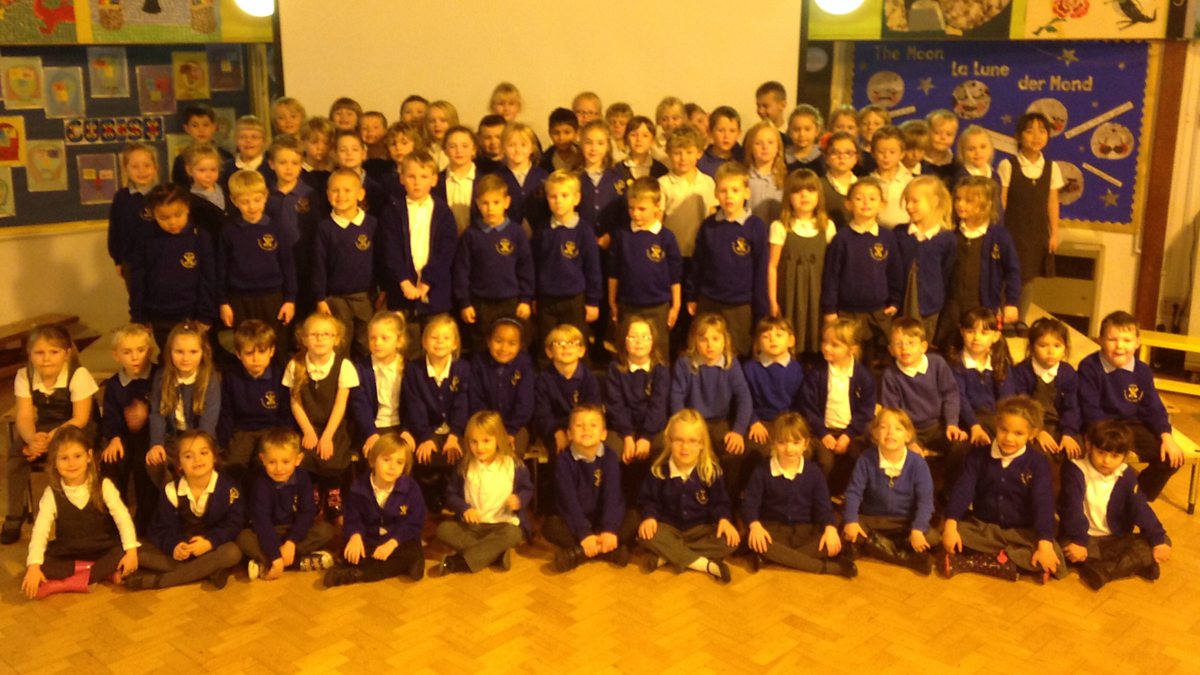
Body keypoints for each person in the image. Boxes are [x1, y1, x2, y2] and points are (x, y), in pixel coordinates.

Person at [942, 396, 1066, 582]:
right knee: (954, 535)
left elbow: (1043, 503)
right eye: (1003, 430)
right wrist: (950, 526)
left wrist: (1045, 545)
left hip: (1021, 531)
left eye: (1018, 433)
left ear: (1032, 434)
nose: (1009, 438)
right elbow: (963, 490)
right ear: (996, 425)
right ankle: (1012, 564)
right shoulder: (978, 456)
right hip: (984, 528)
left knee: (1055, 556)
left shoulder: (1038, 462)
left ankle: (976, 562)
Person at [3, 327, 99, 545]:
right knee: (16, 455)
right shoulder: (24, 375)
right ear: (29, 354)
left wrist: (49, 440)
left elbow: (80, 419)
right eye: (39, 353)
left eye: (54, 352)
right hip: (45, 428)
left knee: (66, 453)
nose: (46, 359)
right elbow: (25, 416)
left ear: (66, 352)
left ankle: (75, 513)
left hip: (75, 429)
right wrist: (31, 440)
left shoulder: (77, 374)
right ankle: (15, 515)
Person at [21, 426, 140, 599]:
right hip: (70, 551)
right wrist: (33, 566)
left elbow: (123, 517)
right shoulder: (52, 493)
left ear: (89, 456)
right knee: (42, 564)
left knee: (124, 552)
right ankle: (101, 574)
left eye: (77, 456)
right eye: (64, 458)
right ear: (54, 462)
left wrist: (131, 551)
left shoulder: (103, 485)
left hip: (102, 548)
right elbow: (40, 531)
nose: (71, 463)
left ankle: (65, 584)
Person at [1077, 311, 1184, 500]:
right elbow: (1089, 408)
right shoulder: (1089, 366)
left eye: (1127, 340)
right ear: (1101, 340)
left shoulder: (1142, 370)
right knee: (1103, 457)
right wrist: (1110, 440)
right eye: (1112, 339)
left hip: (1132, 425)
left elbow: (1153, 407)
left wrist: (1166, 436)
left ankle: (1135, 498)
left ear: (1137, 342)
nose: (1119, 346)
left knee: (1171, 458)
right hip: (1101, 426)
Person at [1059, 420, 1171, 590]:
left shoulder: (1125, 474)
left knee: (1163, 539)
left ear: (1125, 456)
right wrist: (1079, 540)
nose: (1106, 461)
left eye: (1115, 456)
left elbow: (1140, 507)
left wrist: (1157, 540)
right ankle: (1133, 564)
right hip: (1083, 537)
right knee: (1065, 549)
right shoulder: (1076, 470)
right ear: (1089, 446)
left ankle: (1104, 570)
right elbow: (1071, 509)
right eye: (1101, 452)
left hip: (1114, 538)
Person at [743, 413, 856, 577]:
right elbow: (749, 504)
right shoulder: (762, 471)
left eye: (796, 443)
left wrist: (830, 529)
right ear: (774, 443)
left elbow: (823, 506)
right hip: (774, 529)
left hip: (805, 531)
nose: (789, 449)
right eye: (782, 443)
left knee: (831, 538)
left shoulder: (814, 472)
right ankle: (824, 567)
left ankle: (774, 558)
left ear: (805, 444)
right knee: (759, 541)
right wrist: (755, 525)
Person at [637, 409, 739, 583]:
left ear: (701, 444)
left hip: (700, 529)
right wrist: (650, 517)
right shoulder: (659, 470)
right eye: (679, 440)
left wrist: (723, 519)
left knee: (731, 541)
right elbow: (649, 501)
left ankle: (667, 555)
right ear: (669, 441)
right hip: (668, 527)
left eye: (692, 441)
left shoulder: (710, 472)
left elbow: (720, 502)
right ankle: (706, 565)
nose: (685, 447)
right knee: (646, 536)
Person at [686, 161, 770, 358]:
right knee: (707, 350)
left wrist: (760, 308)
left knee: (738, 352)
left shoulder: (755, 227)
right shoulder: (709, 226)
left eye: (735, 190)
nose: (729, 195)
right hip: (709, 300)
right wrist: (692, 295)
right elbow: (698, 263)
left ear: (747, 193)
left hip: (740, 304)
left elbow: (760, 271)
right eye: (723, 190)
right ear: (716, 194)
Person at [436, 411, 534, 575]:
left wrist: (520, 499)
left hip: (502, 525)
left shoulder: (513, 465)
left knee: (515, 534)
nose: (480, 447)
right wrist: (464, 508)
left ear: (498, 440)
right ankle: (494, 553)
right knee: (443, 529)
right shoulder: (464, 466)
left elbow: (528, 489)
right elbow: (451, 494)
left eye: (486, 441)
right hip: (472, 526)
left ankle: (459, 562)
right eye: (474, 442)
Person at [842, 408, 938, 574]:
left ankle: (875, 546)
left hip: (904, 522)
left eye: (898, 428)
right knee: (847, 529)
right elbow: (853, 493)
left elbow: (925, 501)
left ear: (908, 436)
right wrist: (851, 521)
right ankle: (905, 558)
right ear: (875, 433)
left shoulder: (918, 464)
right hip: (872, 520)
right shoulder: (866, 459)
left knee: (933, 538)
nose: (890, 433)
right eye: (884, 427)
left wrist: (917, 529)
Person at [669, 314, 754, 501]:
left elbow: (744, 398)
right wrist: (684, 425)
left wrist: (738, 431)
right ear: (694, 340)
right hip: (692, 421)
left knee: (732, 454)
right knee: (687, 452)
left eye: (715, 339)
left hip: (719, 422)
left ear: (725, 341)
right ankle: (693, 501)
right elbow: (676, 397)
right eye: (703, 339)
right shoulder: (685, 363)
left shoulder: (731, 363)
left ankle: (728, 504)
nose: (710, 345)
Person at [324, 432, 428, 585]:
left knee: (412, 551)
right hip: (370, 539)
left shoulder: (410, 488)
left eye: (399, 462)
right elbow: (353, 518)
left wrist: (392, 543)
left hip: (398, 541)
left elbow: (414, 522)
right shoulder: (358, 488)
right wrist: (355, 536)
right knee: (351, 553)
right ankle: (403, 565)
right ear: (373, 461)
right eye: (386, 460)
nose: (392, 467)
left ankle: (358, 574)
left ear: (405, 467)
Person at [820, 178, 903, 363]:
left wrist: (895, 300)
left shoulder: (887, 237)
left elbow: (895, 271)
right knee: (848, 358)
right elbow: (831, 276)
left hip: (878, 312)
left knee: (877, 360)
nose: (866, 203)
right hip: (847, 312)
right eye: (859, 198)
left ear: (882, 204)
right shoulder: (841, 238)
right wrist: (830, 310)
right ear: (848, 204)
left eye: (872, 199)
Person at [547, 404, 637, 572]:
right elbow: (568, 503)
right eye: (579, 425)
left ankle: (579, 554)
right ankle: (607, 552)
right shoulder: (564, 462)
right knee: (550, 526)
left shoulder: (610, 457)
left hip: (602, 518)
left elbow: (613, 496)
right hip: (575, 521)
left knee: (633, 517)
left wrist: (609, 529)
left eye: (593, 425)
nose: (586, 429)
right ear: (569, 434)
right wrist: (584, 533)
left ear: (603, 434)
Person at [380, 151, 458, 344]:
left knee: (437, 342)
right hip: (402, 293)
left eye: (423, 177)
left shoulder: (443, 212)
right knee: (407, 346)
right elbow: (390, 250)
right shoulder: (392, 211)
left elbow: (446, 251)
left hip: (435, 292)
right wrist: (404, 281)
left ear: (433, 180)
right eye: (411, 176)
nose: (417, 182)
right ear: (402, 179)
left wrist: (427, 282)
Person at [284, 313, 359, 514]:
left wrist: (326, 436)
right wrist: (308, 431)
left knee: (332, 457)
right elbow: (295, 402)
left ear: (336, 339)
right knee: (305, 457)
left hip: (332, 425)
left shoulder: (344, 365)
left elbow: (340, 405)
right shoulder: (295, 364)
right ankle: (313, 490)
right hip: (306, 425)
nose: (320, 339)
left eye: (326, 334)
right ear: (304, 338)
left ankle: (334, 491)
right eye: (314, 334)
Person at [128, 184, 218, 351]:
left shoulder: (200, 237)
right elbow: (137, 280)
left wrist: (206, 315)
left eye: (178, 215)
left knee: (196, 358)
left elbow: (209, 278)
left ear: (187, 208)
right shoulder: (146, 240)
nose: (172, 222)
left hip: (193, 315)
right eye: (164, 218)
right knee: (169, 358)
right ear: (153, 214)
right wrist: (139, 316)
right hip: (159, 314)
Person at [237, 428, 334, 581]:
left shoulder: (303, 478)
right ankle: (295, 562)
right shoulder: (260, 484)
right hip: (269, 531)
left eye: (286, 461)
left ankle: (268, 563)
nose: (279, 468)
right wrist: (276, 554)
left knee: (325, 530)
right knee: (244, 537)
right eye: (272, 462)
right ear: (262, 459)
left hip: (293, 530)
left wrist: (291, 542)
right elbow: (262, 523)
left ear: (298, 459)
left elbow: (307, 513)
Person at [937, 176, 1021, 349]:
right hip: (951, 305)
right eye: (958, 199)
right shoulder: (949, 234)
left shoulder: (999, 236)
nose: (961, 204)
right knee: (948, 347)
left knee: (980, 347)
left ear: (987, 204)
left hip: (983, 304)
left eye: (969, 201)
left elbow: (1012, 271)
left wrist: (1011, 302)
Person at [453, 174, 535, 353]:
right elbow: (462, 271)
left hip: (510, 301)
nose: (490, 208)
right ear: (477, 203)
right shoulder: (471, 235)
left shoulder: (516, 233)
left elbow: (525, 268)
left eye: (496, 202)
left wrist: (526, 299)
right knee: (482, 345)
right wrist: (465, 302)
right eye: (485, 203)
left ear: (506, 202)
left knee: (511, 342)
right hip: (480, 302)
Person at [216, 169, 297, 342]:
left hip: (273, 297)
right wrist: (223, 302)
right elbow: (221, 269)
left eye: (257, 200)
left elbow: (288, 265)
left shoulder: (277, 228)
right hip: (239, 299)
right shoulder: (229, 232)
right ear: (234, 201)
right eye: (245, 202)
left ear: (266, 196)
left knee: (276, 345)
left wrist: (290, 299)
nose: (252, 206)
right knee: (246, 344)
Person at [608, 177, 682, 363]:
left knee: (658, 351)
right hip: (628, 304)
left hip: (658, 306)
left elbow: (675, 274)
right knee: (628, 350)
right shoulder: (622, 235)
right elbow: (614, 272)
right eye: (631, 208)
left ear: (657, 207)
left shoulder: (666, 237)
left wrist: (676, 304)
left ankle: (660, 388)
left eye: (642, 209)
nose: (635, 214)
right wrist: (612, 301)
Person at [401, 315, 470, 511]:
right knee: (424, 455)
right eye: (434, 337)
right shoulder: (414, 369)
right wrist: (424, 437)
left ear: (455, 343)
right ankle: (429, 497)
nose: (440, 342)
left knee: (461, 454)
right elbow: (415, 406)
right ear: (424, 342)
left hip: (455, 430)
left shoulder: (463, 369)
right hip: (425, 427)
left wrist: (455, 435)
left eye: (446, 338)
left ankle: (452, 495)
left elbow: (462, 404)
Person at [531, 170, 603, 357]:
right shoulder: (542, 230)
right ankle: (547, 383)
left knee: (576, 343)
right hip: (547, 299)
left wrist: (593, 301)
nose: (558, 201)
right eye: (553, 196)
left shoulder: (584, 231)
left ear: (576, 198)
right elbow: (534, 265)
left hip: (575, 299)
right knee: (547, 346)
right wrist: (533, 296)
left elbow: (593, 268)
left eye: (564, 195)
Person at [800, 319, 876, 493]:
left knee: (859, 456)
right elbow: (808, 407)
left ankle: (852, 496)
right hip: (823, 431)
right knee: (825, 462)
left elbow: (866, 411)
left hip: (852, 432)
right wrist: (823, 433)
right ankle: (819, 496)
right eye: (824, 342)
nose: (826, 348)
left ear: (852, 349)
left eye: (835, 345)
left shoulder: (864, 377)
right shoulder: (816, 374)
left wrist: (849, 435)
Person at [313, 168, 379, 358]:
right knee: (340, 346)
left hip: (365, 297)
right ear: (327, 195)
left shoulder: (371, 224)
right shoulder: (324, 228)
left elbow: (379, 260)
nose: (340, 195)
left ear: (360, 194)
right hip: (336, 299)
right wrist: (320, 298)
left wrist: (383, 291)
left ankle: (365, 385)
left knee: (366, 344)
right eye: (335, 190)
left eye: (347, 190)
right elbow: (319, 264)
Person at [768, 169, 835, 355]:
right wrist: (772, 300)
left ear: (819, 195)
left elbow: (832, 268)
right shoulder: (780, 226)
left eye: (810, 190)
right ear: (788, 196)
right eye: (797, 191)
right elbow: (772, 266)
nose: (804, 195)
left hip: (817, 292)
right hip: (789, 292)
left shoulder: (827, 226)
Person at [604, 316, 670, 504]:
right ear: (624, 341)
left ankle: (656, 504)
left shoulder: (661, 369)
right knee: (611, 451)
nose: (639, 342)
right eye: (632, 337)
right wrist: (627, 436)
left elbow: (658, 405)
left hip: (652, 428)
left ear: (653, 341)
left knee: (665, 448)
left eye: (644, 337)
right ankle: (618, 504)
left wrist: (645, 437)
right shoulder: (615, 368)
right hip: (622, 429)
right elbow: (615, 405)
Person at [146, 321, 220, 488]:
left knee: (195, 464)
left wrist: (192, 450)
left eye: (193, 352)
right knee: (154, 463)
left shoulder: (210, 379)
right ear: (170, 352)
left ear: (203, 353)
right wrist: (156, 443)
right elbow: (157, 413)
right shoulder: (162, 377)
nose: (186, 358)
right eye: (179, 352)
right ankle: (172, 497)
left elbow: (209, 420)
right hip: (173, 439)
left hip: (200, 440)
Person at [216, 320, 291, 480]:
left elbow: (286, 410)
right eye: (249, 353)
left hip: (271, 430)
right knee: (234, 465)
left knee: (265, 463)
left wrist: (285, 436)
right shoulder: (231, 378)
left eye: (262, 352)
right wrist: (222, 444)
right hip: (243, 430)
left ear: (271, 351)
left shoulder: (279, 376)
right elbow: (226, 413)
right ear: (238, 354)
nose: (255, 359)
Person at [99, 324, 157, 531]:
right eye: (127, 352)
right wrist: (113, 438)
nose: (135, 357)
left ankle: (145, 518)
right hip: (124, 437)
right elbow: (111, 416)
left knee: (144, 466)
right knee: (111, 462)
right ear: (117, 356)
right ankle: (115, 516)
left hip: (152, 436)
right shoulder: (114, 385)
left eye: (140, 350)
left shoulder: (158, 377)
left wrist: (147, 413)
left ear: (149, 351)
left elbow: (165, 410)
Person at [880, 318, 964, 458]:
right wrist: (910, 440)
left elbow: (951, 394)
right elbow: (893, 413)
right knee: (908, 455)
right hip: (910, 430)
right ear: (891, 350)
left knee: (960, 448)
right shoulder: (890, 375)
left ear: (923, 347)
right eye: (898, 344)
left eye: (911, 343)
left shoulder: (937, 363)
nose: (904, 348)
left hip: (938, 426)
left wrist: (952, 423)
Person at [998, 112, 1060, 289]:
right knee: (1006, 277)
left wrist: (1054, 233)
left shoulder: (1052, 168)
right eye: (1029, 131)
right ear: (1018, 136)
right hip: (1012, 232)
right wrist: (999, 233)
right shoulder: (1008, 165)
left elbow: (1053, 202)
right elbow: (1002, 200)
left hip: (1037, 235)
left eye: (1042, 131)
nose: (1036, 136)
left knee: (1028, 280)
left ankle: (1021, 317)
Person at [1004, 317, 1082, 458]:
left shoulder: (1068, 373)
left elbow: (1072, 407)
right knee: (1039, 453)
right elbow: (1021, 408)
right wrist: (1038, 430)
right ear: (1032, 347)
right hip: (1031, 425)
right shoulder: (1022, 372)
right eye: (1043, 345)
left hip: (1059, 425)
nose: (1050, 351)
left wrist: (1068, 433)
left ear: (1065, 349)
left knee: (1076, 450)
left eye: (1057, 346)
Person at [894, 175, 955, 341]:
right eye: (907, 201)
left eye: (915, 201)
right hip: (900, 306)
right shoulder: (899, 233)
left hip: (929, 307)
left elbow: (946, 273)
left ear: (934, 201)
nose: (909, 206)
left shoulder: (947, 238)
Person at [468, 319, 535, 459]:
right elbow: (476, 399)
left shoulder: (524, 364)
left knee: (511, 455)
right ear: (488, 341)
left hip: (516, 427)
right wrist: (491, 430)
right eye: (498, 341)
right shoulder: (479, 362)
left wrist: (510, 431)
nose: (504, 348)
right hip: (484, 425)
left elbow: (525, 403)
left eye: (512, 344)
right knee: (481, 451)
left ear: (520, 345)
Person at [533, 324, 602, 457]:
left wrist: (576, 432)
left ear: (581, 351)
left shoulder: (589, 379)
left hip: (582, 429)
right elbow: (542, 413)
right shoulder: (543, 379)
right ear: (549, 352)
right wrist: (557, 431)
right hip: (554, 430)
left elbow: (593, 410)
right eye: (559, 343)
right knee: (560, 453)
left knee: (591, 450)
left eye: (572, 343)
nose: (566, 347)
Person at [348, 311, 409, 457]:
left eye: (384, 338)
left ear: (399, 341)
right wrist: (371, 432)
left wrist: (408, 430)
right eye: (372, 338)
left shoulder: (409, 368)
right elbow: (359, 405)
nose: (377, 343)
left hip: (401, 426)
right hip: (372, 426)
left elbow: (413, 404)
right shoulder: (360, 368)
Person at [108, 142, 161, 292]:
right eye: (135, 166)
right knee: (138, 302)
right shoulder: (121, 197)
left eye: (147, 165)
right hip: (132, 261)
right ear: (126, 169)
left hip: (161, 259)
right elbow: (115, 230)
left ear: (155, 167)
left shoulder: (163, 195)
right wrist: (118, 260)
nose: (142, 171)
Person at [170, 104, 232, 187]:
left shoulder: (226, 157)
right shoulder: (181, 160)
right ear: (187, 129)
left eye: (206, 125)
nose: (201, 130)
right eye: (195, 125)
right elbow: (179, 190)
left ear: (214, 127)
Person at [869, 126, 912, 229]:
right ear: (873, 153)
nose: (886, 156)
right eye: (881, 152)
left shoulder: (910, 182)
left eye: (892, 152)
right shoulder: (869, 182)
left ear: (902, 154)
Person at [743, 121, 786, 224]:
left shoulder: (785, 179)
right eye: (758, 143)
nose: (765, 147)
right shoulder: (744, 178)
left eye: (770, 142)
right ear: (750, 148)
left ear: (778, 147)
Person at [784, 105, 824, 174]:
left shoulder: (822, 158)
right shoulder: (783, 158)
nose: (802, 134)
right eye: (796, 129)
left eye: (807, 129)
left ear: (817, 131)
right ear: (789, 131)